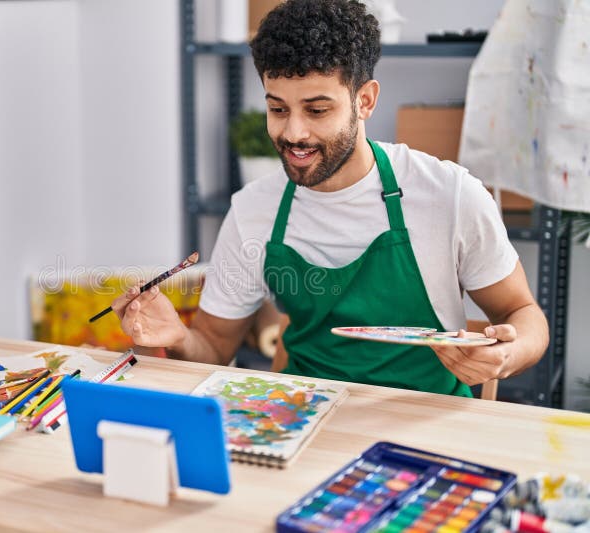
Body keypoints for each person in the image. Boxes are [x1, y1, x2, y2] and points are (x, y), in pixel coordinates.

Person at [112, 0, 549, 396]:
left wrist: (505, 354)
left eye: (317, 111)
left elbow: (523, 312)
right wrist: (177, 337)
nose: (293, 133)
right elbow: (213, 348)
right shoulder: (254, 210)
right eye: (278, 109)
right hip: (299, 417)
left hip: (425, 418)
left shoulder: (448, 195)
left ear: (365, 100)